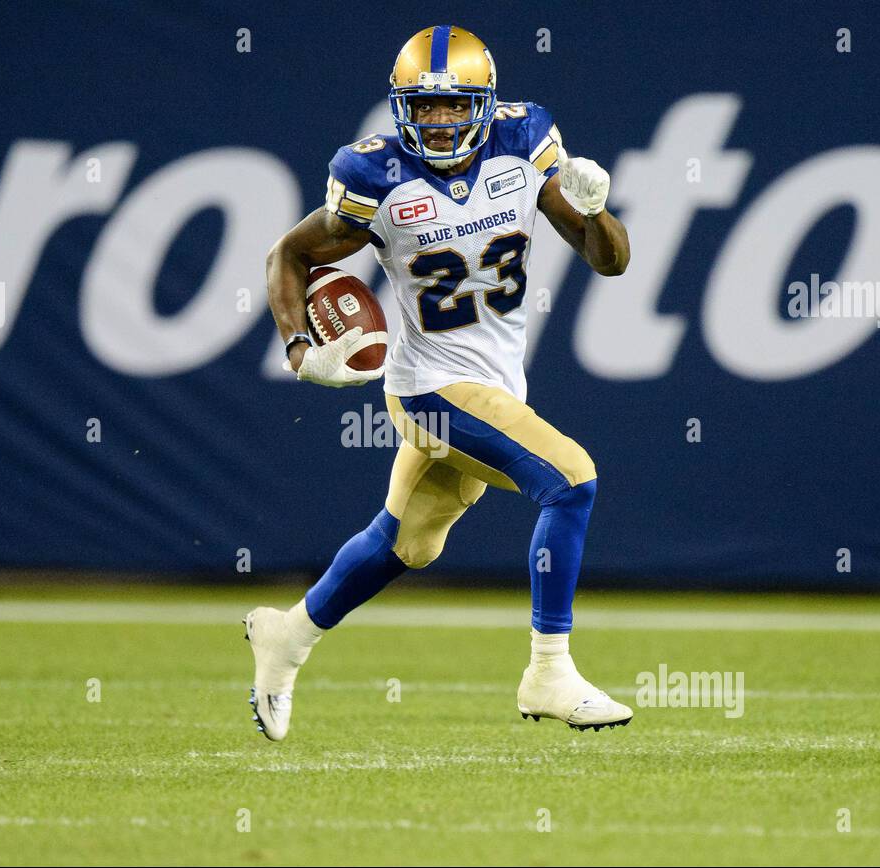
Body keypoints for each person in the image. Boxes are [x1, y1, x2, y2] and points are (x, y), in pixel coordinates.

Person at [249, 24, 632, 741]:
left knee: (410, 543)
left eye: (453, 106)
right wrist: (301, 350)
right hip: (427, 388)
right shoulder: (375, 176)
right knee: (571, 480)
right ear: (401, 110)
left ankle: (288, 635)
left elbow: (609, 261)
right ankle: (549, 671)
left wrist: (594, 210)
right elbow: (289, 254)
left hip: (494, 384)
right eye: (423, 108)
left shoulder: (523, 145)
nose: (439, 120)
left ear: (484, 104)